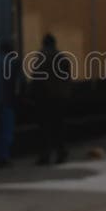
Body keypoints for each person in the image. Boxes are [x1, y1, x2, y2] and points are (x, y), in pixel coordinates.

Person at [32, 33, 71, 165]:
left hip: (45, 98)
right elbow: (67, 79)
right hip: (60, 98)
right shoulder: (62, 57)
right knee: (59, 126)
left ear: (44, 44)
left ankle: (45, 156)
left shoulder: (42, 57)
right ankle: (61, 153)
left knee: (45, 129)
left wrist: (32, 95)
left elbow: (37, 79)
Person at [0, 40, 21, 167]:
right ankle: (3, 157)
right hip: (5, 101)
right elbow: (15, 83)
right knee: (6, 131)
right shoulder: (11, 62)